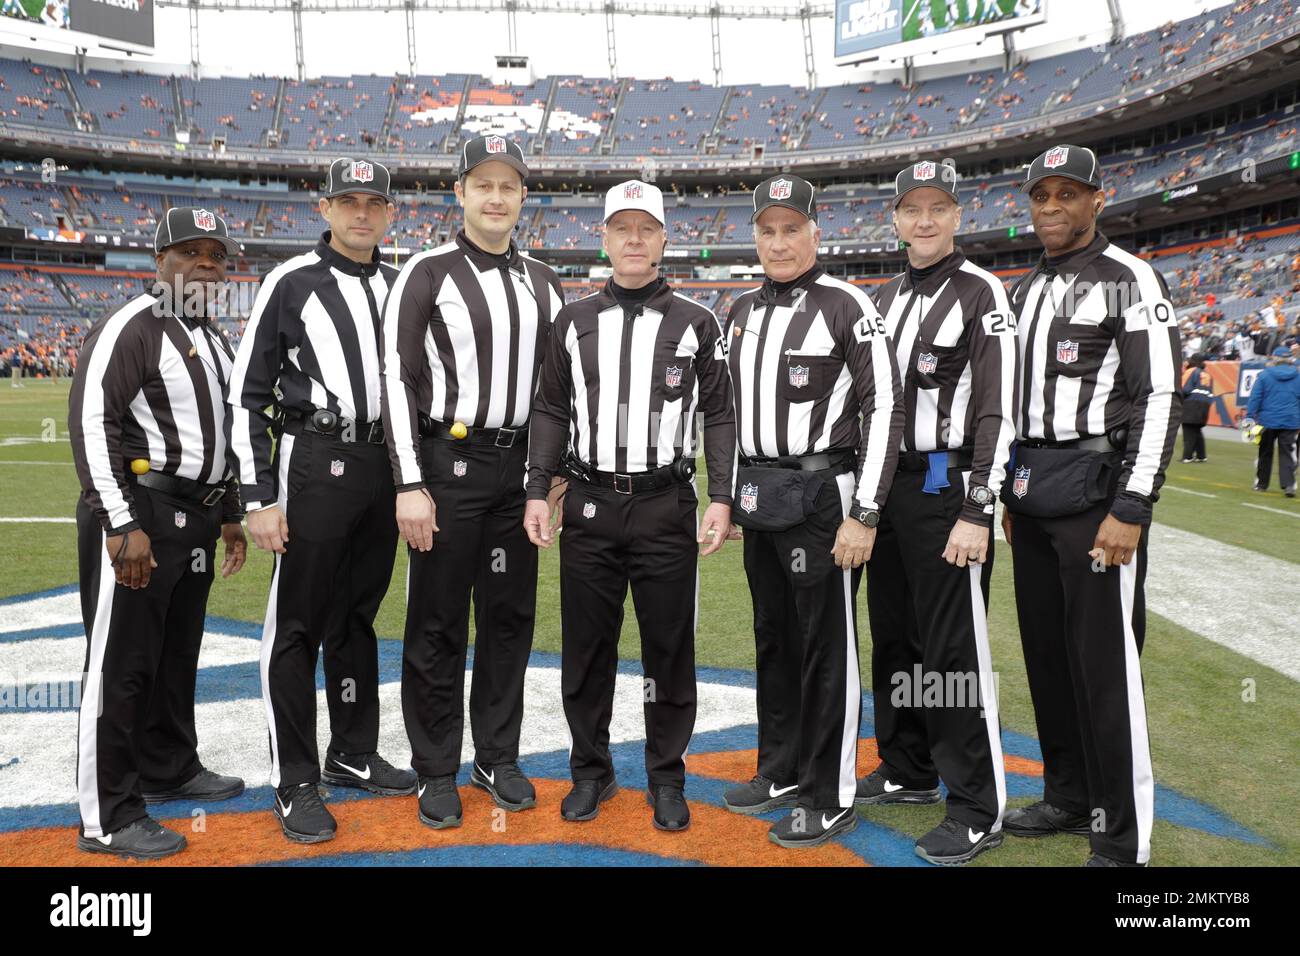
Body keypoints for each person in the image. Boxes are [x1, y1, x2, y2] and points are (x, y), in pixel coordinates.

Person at [522, 180, 736, 831]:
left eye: (647, 228)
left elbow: (722, 416)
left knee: (669, 650)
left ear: (664, 239)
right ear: (606, 238)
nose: (635, 239)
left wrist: (722, 497)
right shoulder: (573, 319)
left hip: (665, 503)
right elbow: (552, 409)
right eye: (623, 228)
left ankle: (666, 777)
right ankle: (591, 770)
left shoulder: (698, 322)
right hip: (588, 504)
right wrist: (538, 487)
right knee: (587, 650)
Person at [1002, 145, 1181, 867]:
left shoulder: (1130, 279)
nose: (1051, 208)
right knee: (1047, 658)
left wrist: (1134, 504)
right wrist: (1010, 491)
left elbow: (1159, 396)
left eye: (1067, 194)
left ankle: (1121, 833)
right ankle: (1069, 794)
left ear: (1097, 199)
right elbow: (1012, 404)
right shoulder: (1024, 289)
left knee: (1104, 665)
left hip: (1096, 495)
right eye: (1040, 195)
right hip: (1033, 491)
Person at [226, 159, 415, 844]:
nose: (361, 213)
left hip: (381, 467)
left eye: (374, 202)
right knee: (296, 626)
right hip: (315, 463)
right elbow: (248, 393)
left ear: (389, 212)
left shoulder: (401, 286)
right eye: (348, 201)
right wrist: (258, 497)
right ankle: (294, 779)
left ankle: (352, 752)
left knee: (357, 619)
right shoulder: (291, 280)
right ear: (325, 208)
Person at [381, 135, 565, 829]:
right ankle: (436, 767)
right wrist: (408, 481)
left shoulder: (544, 282)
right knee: (436, 622)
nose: (495, 197)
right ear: (458, 193)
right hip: (448, 469)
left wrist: (551, 481)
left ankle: (497, 755)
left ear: (523, 197)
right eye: (481, 184)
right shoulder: (426, 273)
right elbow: (396, 380)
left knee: (510, 618)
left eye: (507, 185)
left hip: (519, 473)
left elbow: (557, 395)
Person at [720, 174, 904, 848]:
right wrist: (725, 494)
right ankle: (782, 768)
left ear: (814, 234)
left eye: (791, 229)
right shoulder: (738, 312)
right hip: (761, 496)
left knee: (828, 647)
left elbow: (885, 408)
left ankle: (831, 793)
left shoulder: (847, 304)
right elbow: (725, 415)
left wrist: (867, 511)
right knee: (775, 638)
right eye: (767, 231)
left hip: (825, 496)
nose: (778, 242)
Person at [68, 207, 248, 860]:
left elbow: (220, 437)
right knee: (122, 665)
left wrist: (228, 512)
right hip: (142, 513)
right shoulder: (130, 327)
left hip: (195, 518)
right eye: (189, 252)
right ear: (158, 261)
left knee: (175, 655)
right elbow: (95, 423)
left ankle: (168, 764)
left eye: (216, 255)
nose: (206, 265)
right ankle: (108, 814)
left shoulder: (217, 339)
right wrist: (120, 521)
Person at [862, 159, 1016, 865]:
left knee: (952, 650)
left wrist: (979, 505)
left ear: (959, 214)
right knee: (895, 635)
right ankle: (908, 764)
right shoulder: (884, 297)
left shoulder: (981, 291)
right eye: (911, 209)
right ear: (894, 218)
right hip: (888, 489)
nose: (924, 220)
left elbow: (996, 407)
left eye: (938, 208)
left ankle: (976, 803)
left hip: (946, 486)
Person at [1245, 346, 1300, 496]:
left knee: (1265, 453)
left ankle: (1262, 484)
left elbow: (1255, 398)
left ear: (1274, 359)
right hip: (1291, 420)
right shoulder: (1298, 376)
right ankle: (1289, 485)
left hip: (1267, 420)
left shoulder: (1264, 375)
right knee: (1288, 453)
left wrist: (1249, 417)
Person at [1180, 353, 1213, 463]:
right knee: (1197, 429)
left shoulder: (1191, 371)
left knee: (1188, 429)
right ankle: (1201, 456)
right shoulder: (1207, 374)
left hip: (1192, 403)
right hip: (1205, 404)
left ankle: (1187, 457)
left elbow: (1185, 389)